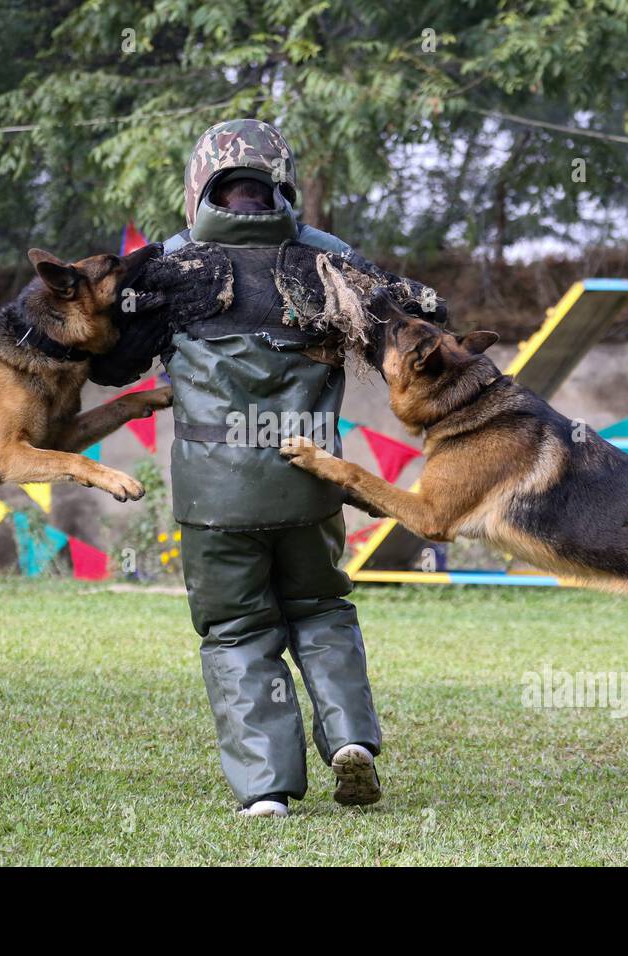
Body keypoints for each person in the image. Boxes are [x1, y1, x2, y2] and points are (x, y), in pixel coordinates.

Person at [102, 119, 441, 818]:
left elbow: (109, 362)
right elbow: (427, 323)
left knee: (236, 632)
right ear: (282, 185)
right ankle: (353, 743)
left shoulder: (169, 271)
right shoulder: (331, 266)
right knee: (320, 608)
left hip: (214, 499)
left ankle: (266, 793)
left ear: (201, 186)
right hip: (310, 487)